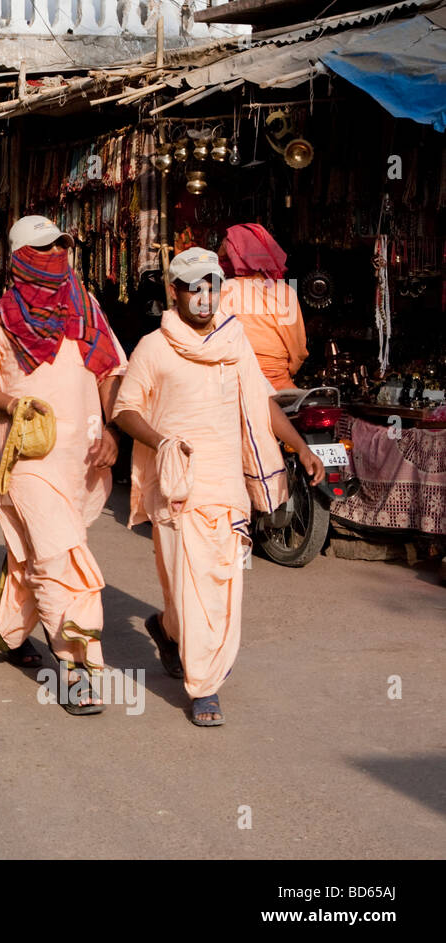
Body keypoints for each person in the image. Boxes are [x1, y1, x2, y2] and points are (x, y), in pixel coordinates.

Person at [113, 247, 324, 726]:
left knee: (222, 584)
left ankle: (202, 683)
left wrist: (302, 448)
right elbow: (124, 409)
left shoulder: (235, 342)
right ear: (175, 292)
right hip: (177, 488)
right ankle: (177, 641)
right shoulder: (154, 347)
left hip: (226, 487)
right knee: (187, 588)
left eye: (212, 285)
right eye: (194, 287)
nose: (204, 296)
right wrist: (162, 440)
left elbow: (262, 403)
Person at [0, 215, 126, 715]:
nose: (56, 254)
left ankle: (9, 632)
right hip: (30, 459)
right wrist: (11, 405)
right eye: (44, 249)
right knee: (61, 560)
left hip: (83, 459)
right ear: (19, 260)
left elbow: (110, 372)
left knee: (36, 558)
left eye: (61, 246)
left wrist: (114, 431)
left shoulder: (87, 308)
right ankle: (78, 669)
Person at [217, 223, 308, 390]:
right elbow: (299, 349)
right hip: (281, 385)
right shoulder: (286, 291)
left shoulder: (226, 290)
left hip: (242, 385)